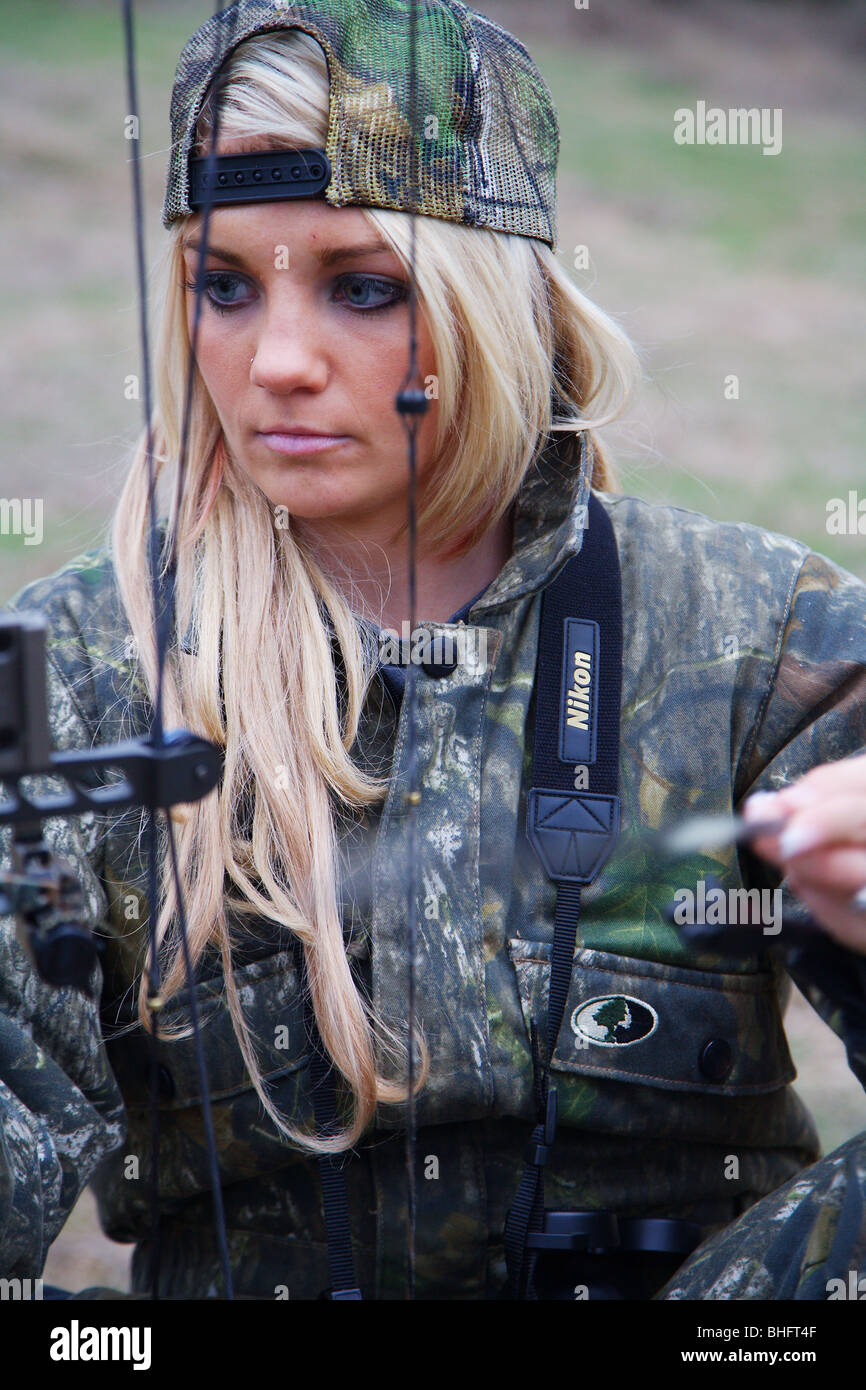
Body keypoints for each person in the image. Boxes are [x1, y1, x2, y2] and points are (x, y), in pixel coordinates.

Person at [1, 0, 865, 1302]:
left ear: (492, 304)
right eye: (222, 287)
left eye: (363, 288)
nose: (277, 361)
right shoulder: (75, 670)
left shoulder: (760, 633)